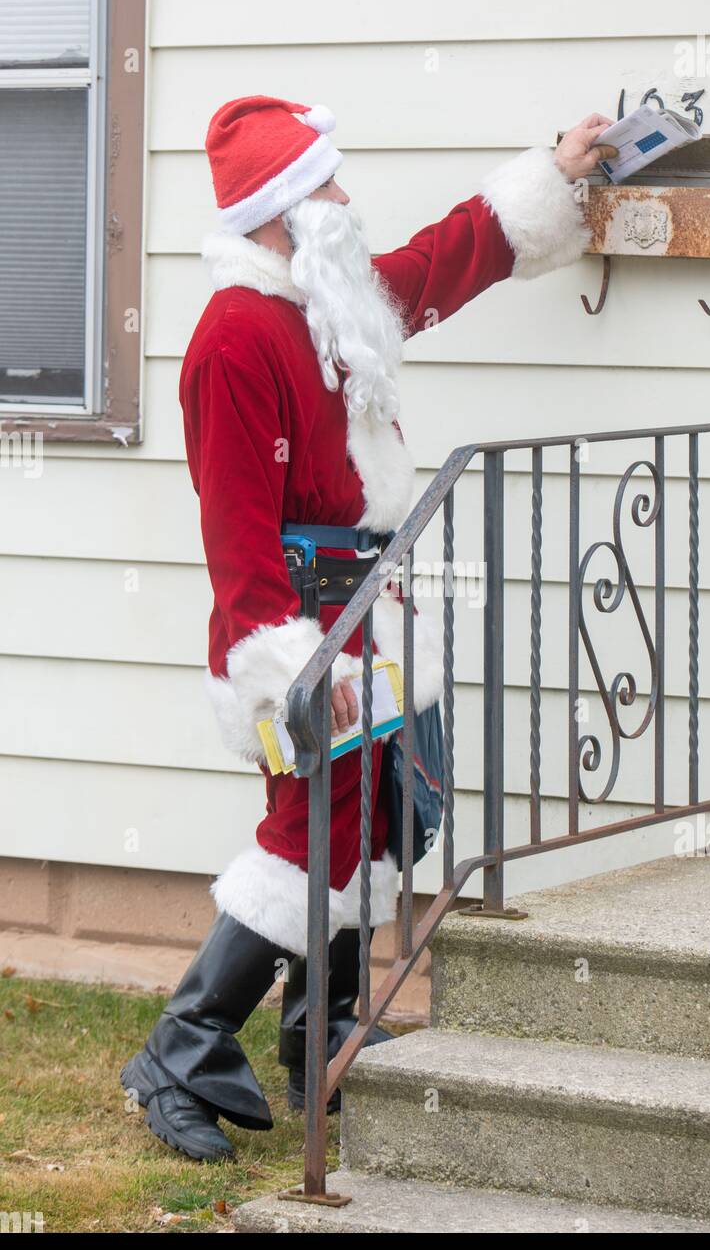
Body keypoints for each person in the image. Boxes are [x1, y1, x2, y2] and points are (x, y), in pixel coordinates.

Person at [120, 95, 617, 1160]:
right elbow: (236, 531)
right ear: (285, 212)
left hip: (366, 617)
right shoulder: (233, 341)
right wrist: (284, 666)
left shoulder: (331, 303)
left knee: (372, 823)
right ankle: (182, 1043)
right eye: (328, 185)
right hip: (294, 629)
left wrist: (555, 170)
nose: (347, 198)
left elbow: (439, 264)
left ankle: (322, 1038)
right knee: (310, 835)